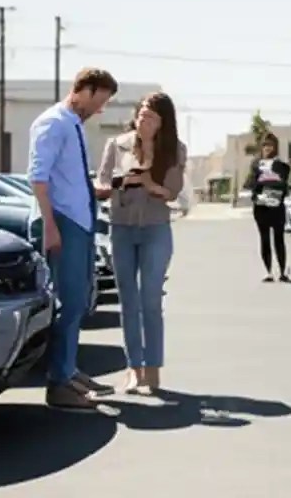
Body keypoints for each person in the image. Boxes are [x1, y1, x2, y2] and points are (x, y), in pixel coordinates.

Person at [28, 67, 119, 411]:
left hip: (80, 223)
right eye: (101, 100)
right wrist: (50, 225)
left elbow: (68, 178)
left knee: (79, 300)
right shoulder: (52, 123)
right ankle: (59, 382)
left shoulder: (73, 126)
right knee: (67, 303)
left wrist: (97, 192)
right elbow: (38, 178)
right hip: (62, 224)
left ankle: (69, 371)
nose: (101, 109)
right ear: (85, 90)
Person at [96, 92, 186, 395]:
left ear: (163, 122)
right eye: (143, 112)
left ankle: (153, 370)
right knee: (129, 302)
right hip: (121, 228)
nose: (144, 117)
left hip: (155, 229)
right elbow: (102, 183)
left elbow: (172, 192)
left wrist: (149, 184)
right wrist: (120, 183)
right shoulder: (117, 144)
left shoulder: (174, 150)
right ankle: (134, 369)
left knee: (150, 301)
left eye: (152, 114)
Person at [245, 133, 291, 282]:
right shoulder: (256, 164)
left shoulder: (282, 165)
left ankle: (282, 271)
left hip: (277, 207)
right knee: (264, 239)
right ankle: (268, 271)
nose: (267, 148)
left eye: (270, 145)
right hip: (261, 207)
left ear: (275, 147)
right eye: (265, 145)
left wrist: (274, 174)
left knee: (279, 239)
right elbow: (251, 183)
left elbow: (284, 183)